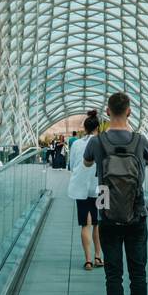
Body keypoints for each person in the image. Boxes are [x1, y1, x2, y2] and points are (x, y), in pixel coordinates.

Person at [84, 91, 148, 295]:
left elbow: (87, 161)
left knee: (113, 275)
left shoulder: (98, 141)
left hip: (106, 210)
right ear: (129, 111)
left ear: (107, 111)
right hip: (138, 211)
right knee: (138, 274)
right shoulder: (140, 140)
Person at [67, 111, 103, 271]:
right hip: (101, 187)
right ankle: (98, 256)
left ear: (85, 128)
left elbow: (72, 165)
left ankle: (88, 260)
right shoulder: (103, 143)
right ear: (98, 127)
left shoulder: (76, 144)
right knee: (99, 223)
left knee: (85, 224)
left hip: (80, 186)